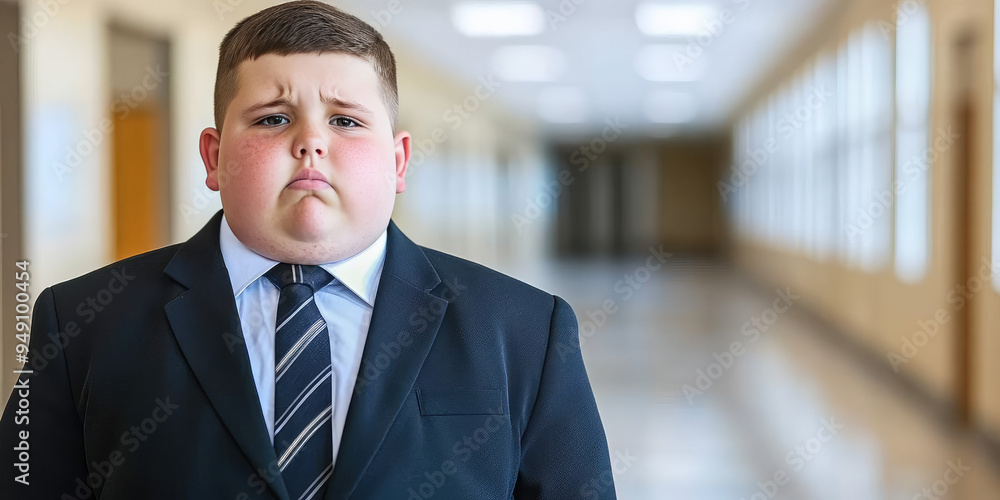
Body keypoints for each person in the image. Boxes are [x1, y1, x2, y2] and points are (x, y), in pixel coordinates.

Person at [0, 1, 615, 498]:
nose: (311, 142)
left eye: (346, 120)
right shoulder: (79, 322)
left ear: (398, 160)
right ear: (214, 158)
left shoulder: (525, 332)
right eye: (272, 118)